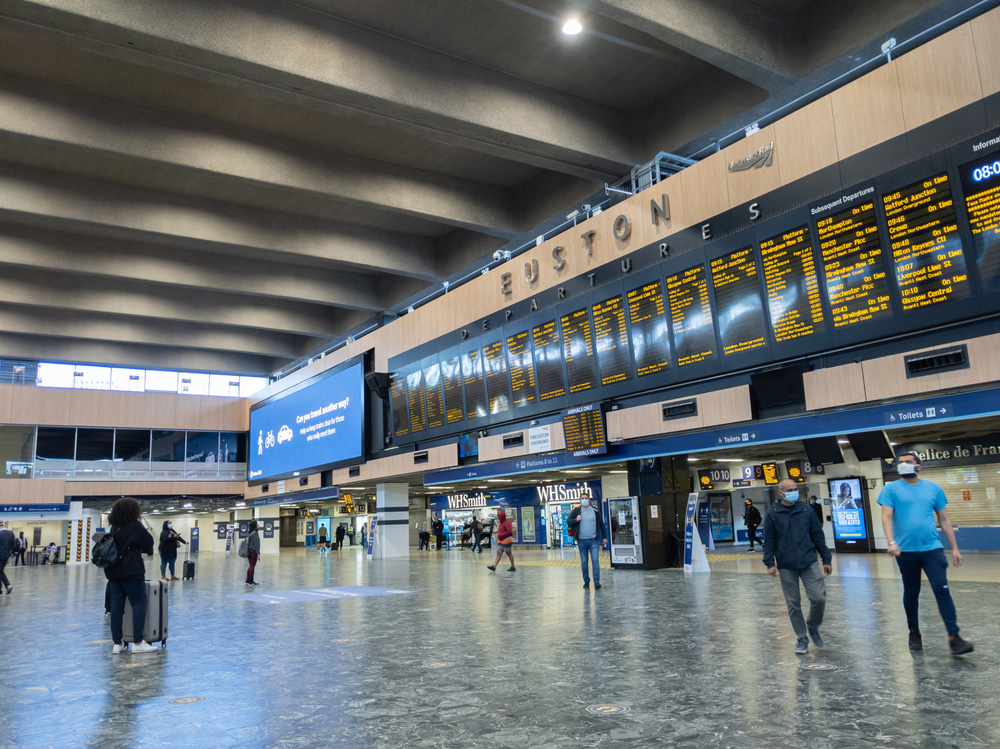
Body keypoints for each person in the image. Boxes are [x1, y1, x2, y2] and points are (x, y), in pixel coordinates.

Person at [878, 451, 973, 655]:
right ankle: (914, 631)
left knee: (942, 589)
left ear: (918, 466)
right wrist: (891, 542)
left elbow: (945, 519)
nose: (903, 465)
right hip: (905, 551)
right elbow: (886, 517)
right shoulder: (890, 489)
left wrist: (955, 548)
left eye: (908, 462)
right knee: (911, 593)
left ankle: (954, 637)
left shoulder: (933, 488)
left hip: (932, 549)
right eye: (900, 462)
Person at [763, 479, 832, 655]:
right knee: (793, 603)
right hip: (786, 565)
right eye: (790, 490)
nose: (794, 492)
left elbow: (818, 535)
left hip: (808, 561)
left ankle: (813, 626)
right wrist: (770, 563)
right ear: (781, 493)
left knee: (818, 598)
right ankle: (802, 638)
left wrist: (826, 558)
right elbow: (769, 540)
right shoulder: (773, 513)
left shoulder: (806, 509)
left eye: (796, 489)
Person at [104, 497, 157, 654]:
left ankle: (117, 644)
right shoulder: (135, 526)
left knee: (116, 608)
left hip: (113, 572)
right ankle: (138, 642)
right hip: (132, 572)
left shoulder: (113, 527)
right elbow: (149, 543)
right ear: (133, 511)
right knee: (139, 604)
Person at [567, 491, 606, 589]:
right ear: (580, 500)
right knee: (584, 561)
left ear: (589, 500)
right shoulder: (576, 511)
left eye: (586, 498)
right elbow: (568, 521)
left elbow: (601, 524)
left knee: (595, 560)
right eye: (582, 498)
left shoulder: (595, 511)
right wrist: (576, 519)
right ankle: (586, 581)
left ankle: (597, 581)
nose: (584, 500)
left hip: (593, 540)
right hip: (581, 540)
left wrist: (604, 537)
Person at [0, 521, 14, 596]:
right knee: (0, 571)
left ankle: (1, 590)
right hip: (6, 556)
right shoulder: (10, 533)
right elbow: (12, 545)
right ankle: (8, 586)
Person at [246, 520, 261, 586]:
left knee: (250, 565)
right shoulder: (255, 533)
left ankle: (248, 579)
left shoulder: (250, 533)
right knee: (252, 566)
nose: (258, 524)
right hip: (253, 551)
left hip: (249, 550)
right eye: (257, 524)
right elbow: (257, 544)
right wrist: (258, 553)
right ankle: (251, 581)